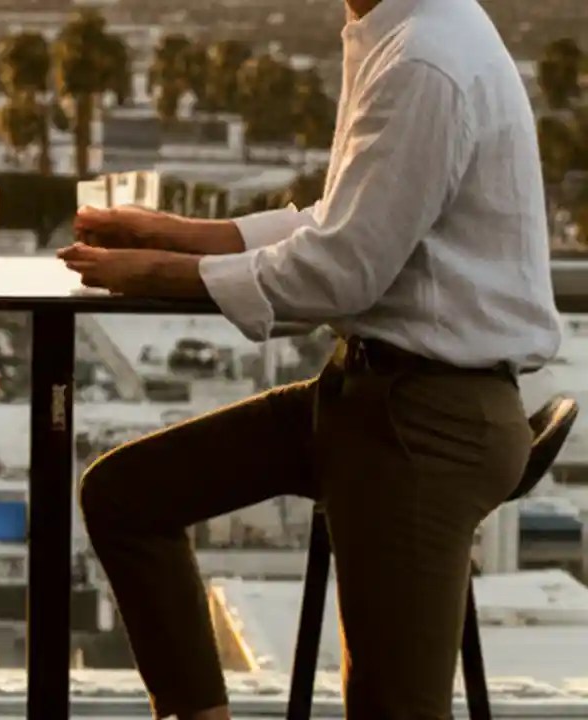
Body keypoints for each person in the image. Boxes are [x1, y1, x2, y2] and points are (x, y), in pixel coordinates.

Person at [59, 0, 561, 717]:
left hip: (425, 422)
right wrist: (180, 235)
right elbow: (341, 223)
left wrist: (159, 273)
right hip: (362, 394)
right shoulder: (397, 32)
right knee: (126, 495)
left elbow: (341, 271)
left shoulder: (424, 58)